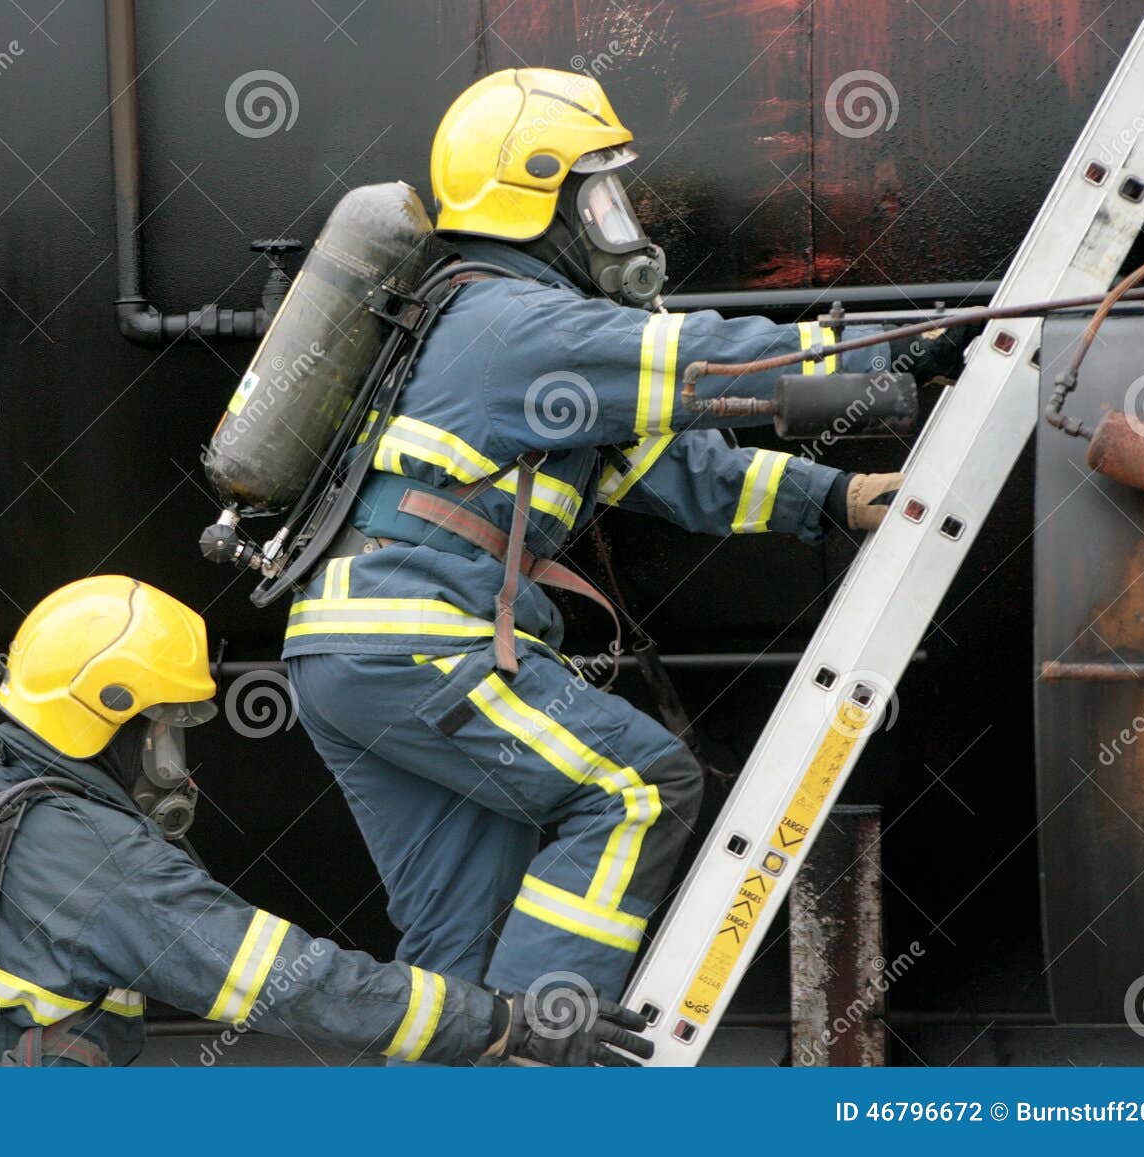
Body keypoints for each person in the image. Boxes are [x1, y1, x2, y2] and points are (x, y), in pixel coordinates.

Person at [283, 68, 969, 1004]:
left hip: (350, 650)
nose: (623, 219)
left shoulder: (479, 323)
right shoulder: (520, 323)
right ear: (540, 202)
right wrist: (896, 354)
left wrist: (837, 495)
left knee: (459, 940)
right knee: (638, 790)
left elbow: (675, 470)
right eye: (599, 194)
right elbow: (704, 367)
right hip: (419, 640)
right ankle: (542, 1065)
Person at [0, 574, 651, 1067]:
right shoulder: (97, 858)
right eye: (167, 728)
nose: (174, 758)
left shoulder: (6, 804)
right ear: (110, 716)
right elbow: (296, 983)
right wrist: (504, 1023)